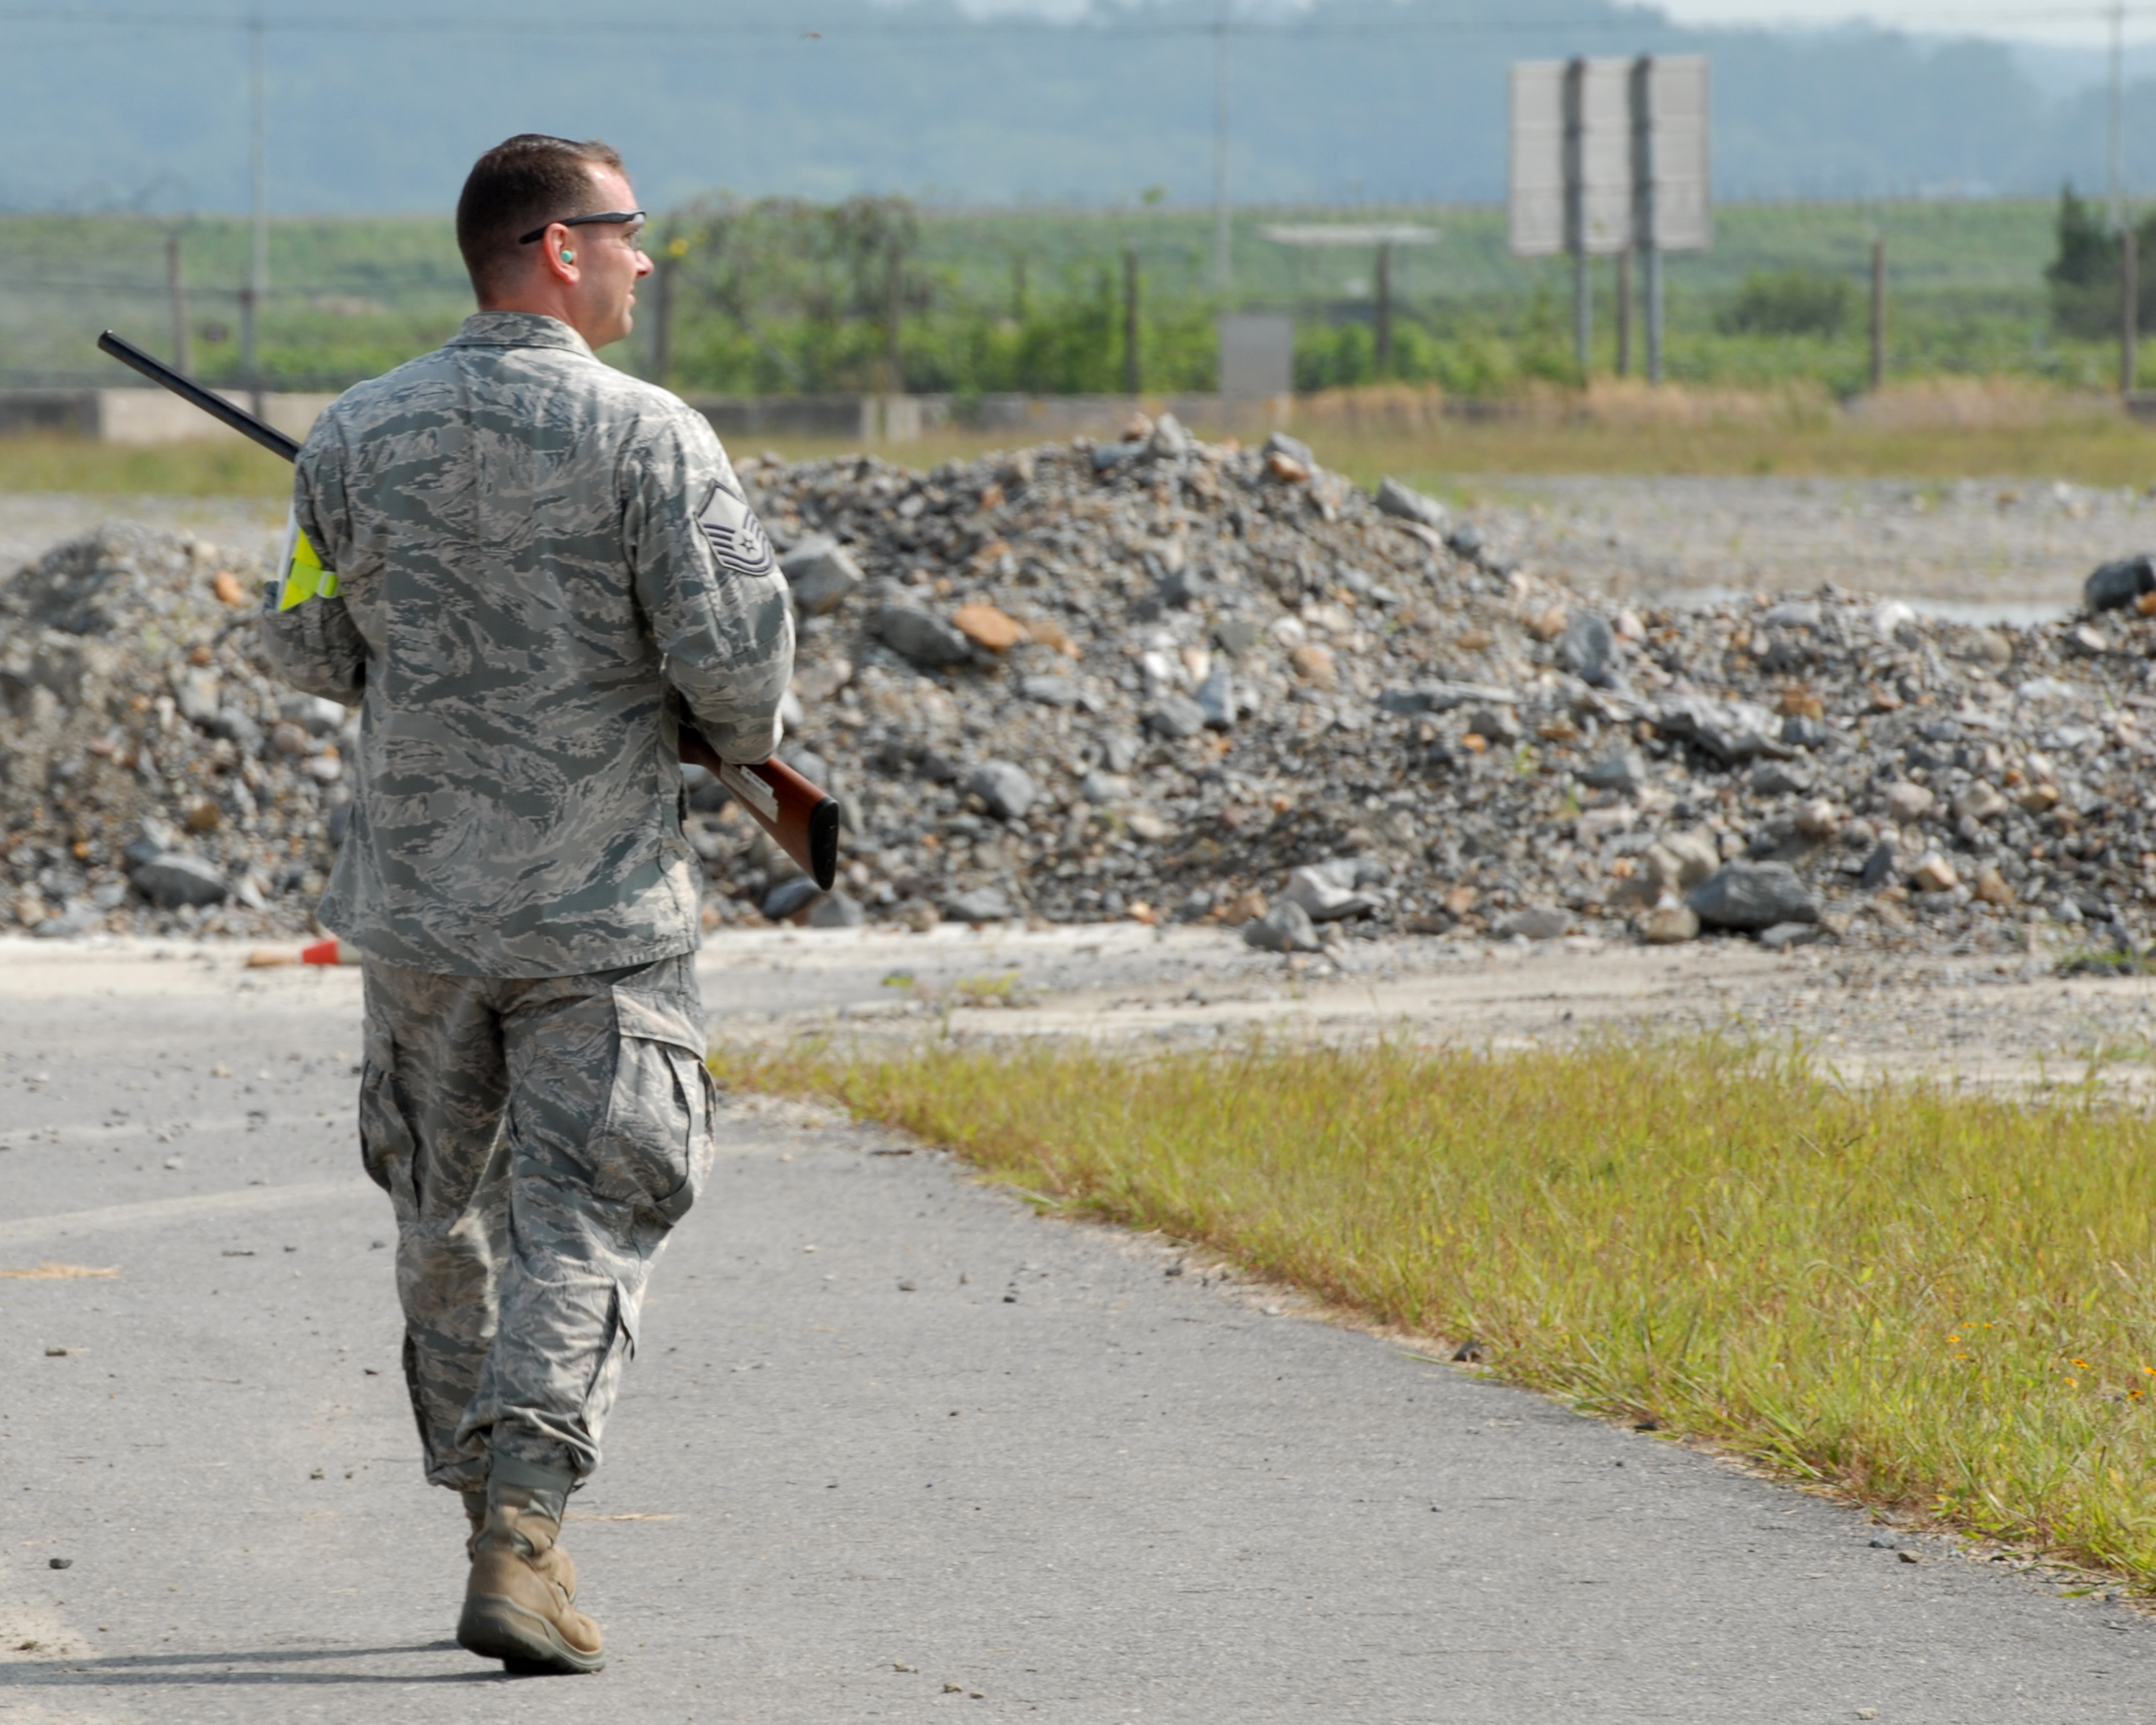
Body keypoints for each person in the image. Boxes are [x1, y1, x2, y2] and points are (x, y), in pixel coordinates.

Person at [259, 134, 793, 1675]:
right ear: (559, 248)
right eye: (631, 233)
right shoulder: (653, 437)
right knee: (591, 1214)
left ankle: (476, 1504)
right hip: (600, 914)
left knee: (444, 1215)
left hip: (419, 913)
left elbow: (302, 648)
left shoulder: (353, 437)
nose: (645, 259)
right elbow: (744, 681)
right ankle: (524, 1530)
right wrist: (695, 720)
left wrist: (398, 604)